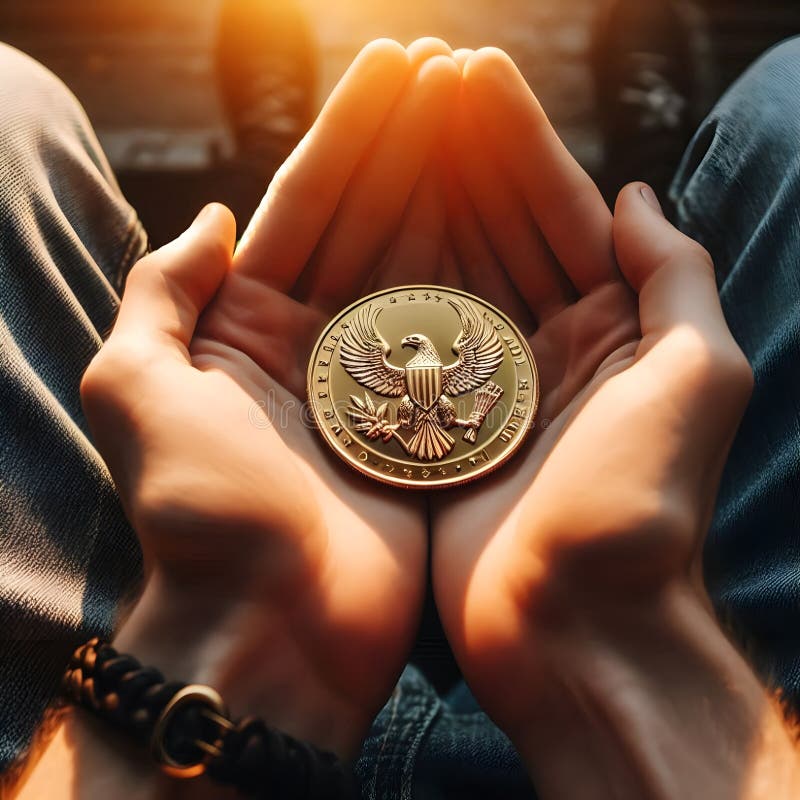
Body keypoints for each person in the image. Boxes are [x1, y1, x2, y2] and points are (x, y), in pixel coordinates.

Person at [1, 26, 798, 800]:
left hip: (205, 742)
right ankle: (642, 199)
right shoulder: (403, 364)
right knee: (787, 100)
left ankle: (258, 214)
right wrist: (626, 641)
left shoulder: (427, 364)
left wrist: (217, 637)